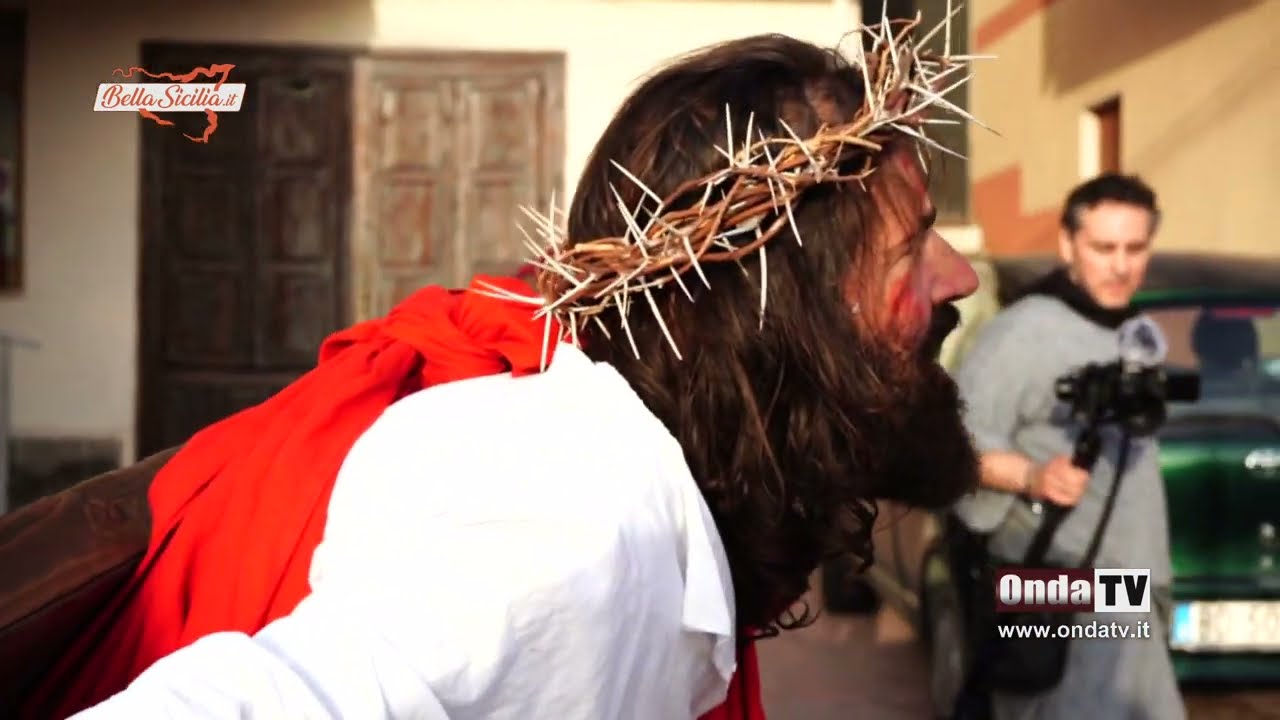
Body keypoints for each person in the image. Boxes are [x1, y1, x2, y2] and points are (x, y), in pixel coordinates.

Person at [29, 18, 983, 720]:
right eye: (913, 247)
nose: (962, 277)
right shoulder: (573, 525)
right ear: (774, 309)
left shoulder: (667, 493)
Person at [952, 173, 1184, 719]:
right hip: (1052, 584)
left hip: (1129, 586)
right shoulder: (1021, 333)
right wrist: (1032, 477)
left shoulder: (1135, 331)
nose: (1121, 265)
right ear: (1067, 244)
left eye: (1135, 248)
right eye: (1104, 247)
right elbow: (954, 444)